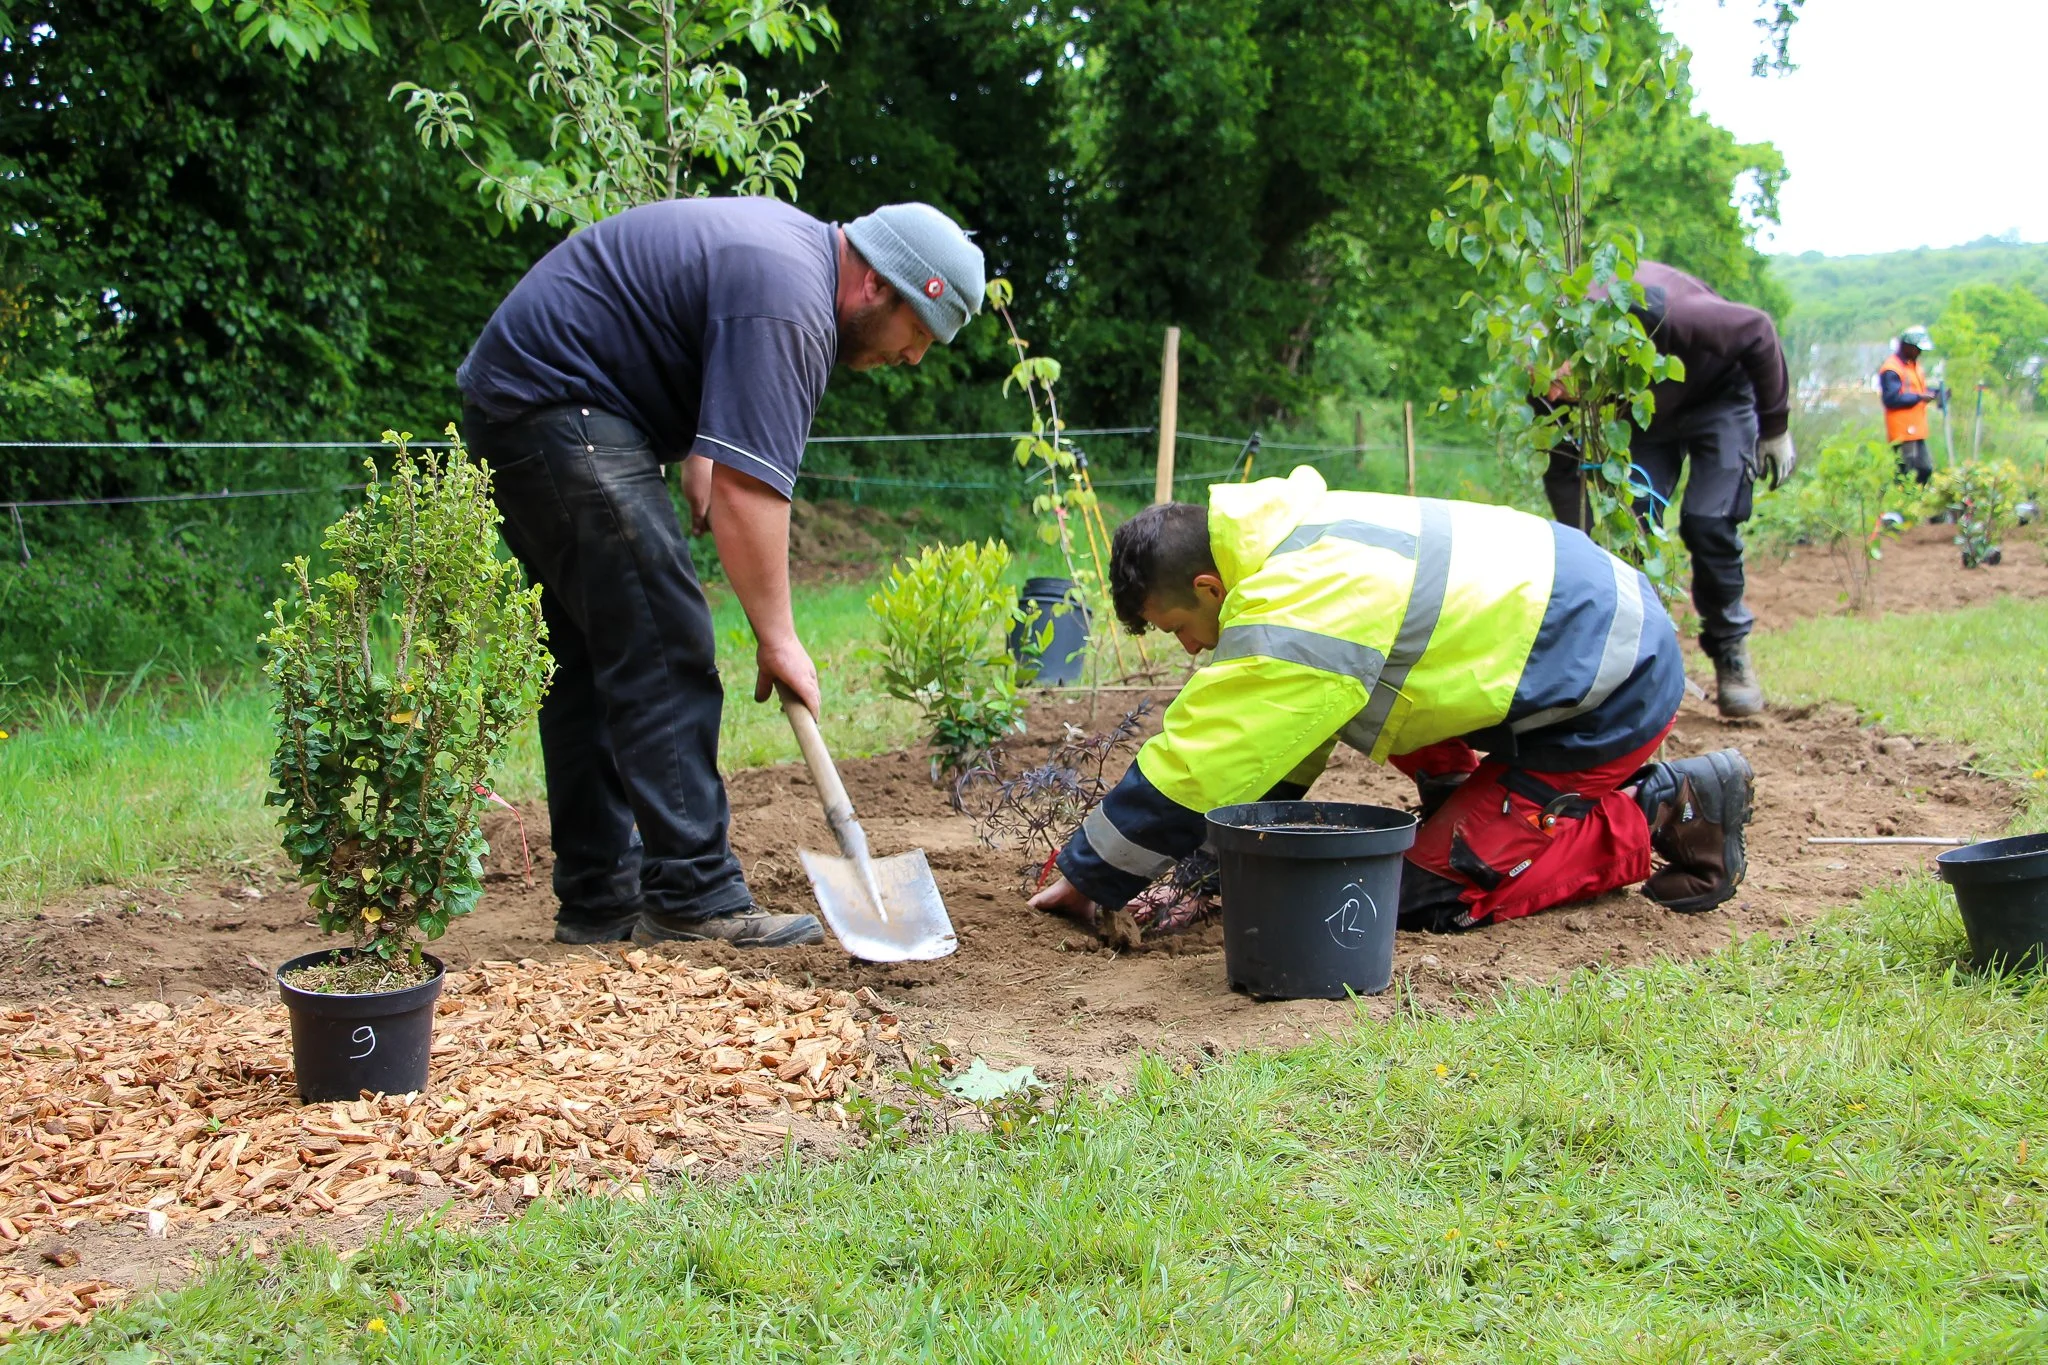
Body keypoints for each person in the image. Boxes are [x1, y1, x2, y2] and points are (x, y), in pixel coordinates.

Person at [458, 198, 985, 948]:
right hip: (557, 404)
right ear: (878, 286)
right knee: (662, 637)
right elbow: (751, 495)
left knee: (590, 658)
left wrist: (707, 450)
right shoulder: (793, 306)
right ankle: (693, 893)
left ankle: (600, 899)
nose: (914, 357)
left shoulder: (789, 264)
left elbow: (711, 381)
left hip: (520, 403)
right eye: (920, 333)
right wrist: (780, 639)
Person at [1029, 467, 1756, 934]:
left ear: (1208, 589)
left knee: (1419, 897)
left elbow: (1205, 759)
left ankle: (1664, 804)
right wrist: (1210, 861)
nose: (1190, 649)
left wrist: (1091, 873)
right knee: (1365, 691)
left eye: (1178, 628)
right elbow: (1283, 746)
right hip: (1562, 650)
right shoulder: (1292, 538)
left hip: (1610, 692)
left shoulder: (1297, 605)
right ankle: (1459, 801)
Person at [1542, 260, 1794, 720]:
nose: (1556, 396)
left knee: (1709, 521)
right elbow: (1561, 469)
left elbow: (1758, 328)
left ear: (1588, 352)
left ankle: (1730, 651)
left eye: (1559, 383)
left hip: (1718, 395)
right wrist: (1587, 546)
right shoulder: (1548, 371)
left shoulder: (1668, 314)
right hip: (1642, 411)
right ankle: (1635, 670)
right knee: (1629, 530)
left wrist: (1774, 426)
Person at [1879, 325, 1942, 486]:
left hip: (1916, 429)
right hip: (1903, 431)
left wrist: (1935, 393)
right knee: (1908, 473)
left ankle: (1917, 504)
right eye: (1917, 349)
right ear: (1907, 346)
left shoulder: (1913, 366)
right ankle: (1902, 505)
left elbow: (1917, 390)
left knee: (1925, 470)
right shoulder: (1892, 369)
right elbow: (1891, 399)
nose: (1919, 353)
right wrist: (1920, 397)